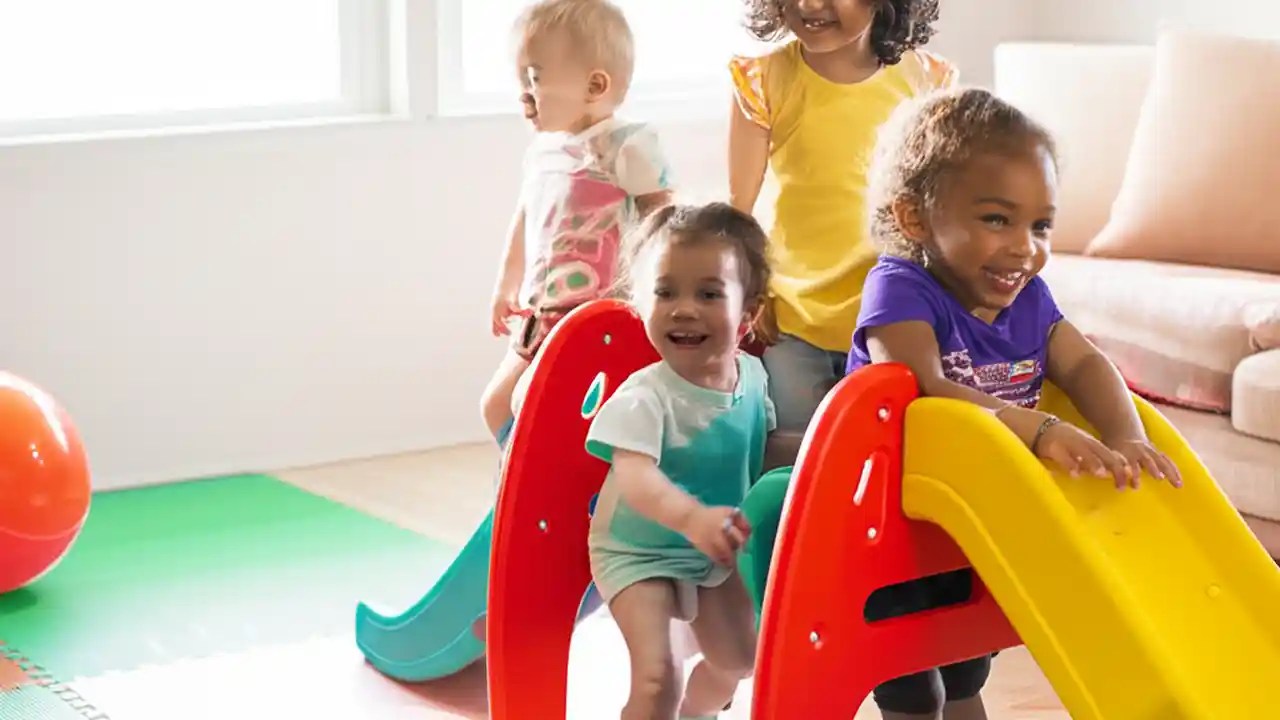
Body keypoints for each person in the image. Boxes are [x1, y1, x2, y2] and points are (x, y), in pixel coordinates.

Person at [846, 87, 1184, 720]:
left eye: (1041, 225)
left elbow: (1084, 362)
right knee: (913, 685)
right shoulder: (899, 291)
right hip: (890, 533)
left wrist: (1127, 433)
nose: (1024, 247)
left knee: (967, 670)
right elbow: (919, 389)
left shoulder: (1030, 299)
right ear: (916, 218)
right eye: (997, 220)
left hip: (974, 529)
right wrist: (1040, 428)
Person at [727, 0, 955, 467]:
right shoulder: (762, 81)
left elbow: (943, 213)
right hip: (795, 318)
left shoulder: (926, 82)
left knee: (888, 458)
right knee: (797, 460)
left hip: (892, 317)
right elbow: (739, 214)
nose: (810, 5)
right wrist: (751, 293)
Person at [585, 203, 774, 720]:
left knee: (740, 660)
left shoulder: (754, 378)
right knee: (656, 675)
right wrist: (692, 518)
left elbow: (768, 445)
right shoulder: (643, 397)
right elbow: (638, 480)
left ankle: (695, 714)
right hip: (636, 552)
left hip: (714, 545)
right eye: (665, 292)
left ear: (750, 312)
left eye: (708, 294)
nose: (683, 308)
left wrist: (825, 450)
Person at [481, 0, 674, 442]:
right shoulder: (545, 151)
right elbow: (525, 217)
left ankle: (561, 486)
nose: (523, 97)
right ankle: (527, 484)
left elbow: (662, 222)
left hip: (593, 314)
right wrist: (504, 286)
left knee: (530, 402)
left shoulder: (626, 146)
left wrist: (651, 294)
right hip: (542, 313)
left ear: (594, 85)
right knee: (496, 404)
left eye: (534, 80)